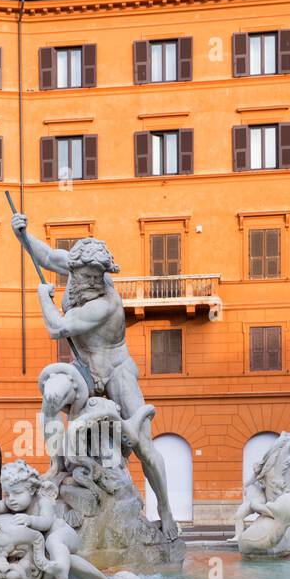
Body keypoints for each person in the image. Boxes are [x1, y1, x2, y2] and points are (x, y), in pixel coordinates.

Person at [10, 212, 179, 540]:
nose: (91, 283)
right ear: (74, 268)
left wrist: (42, 299)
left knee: (143, 443)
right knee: (52, 395)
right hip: (83, 370)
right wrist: (23, 235)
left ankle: (166, 509)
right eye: (86, 276)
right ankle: (58, 463)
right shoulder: (73, 269)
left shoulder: (107, 301)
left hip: (116, 370)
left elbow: (57, 327)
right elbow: (43, 256)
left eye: (97, 277)